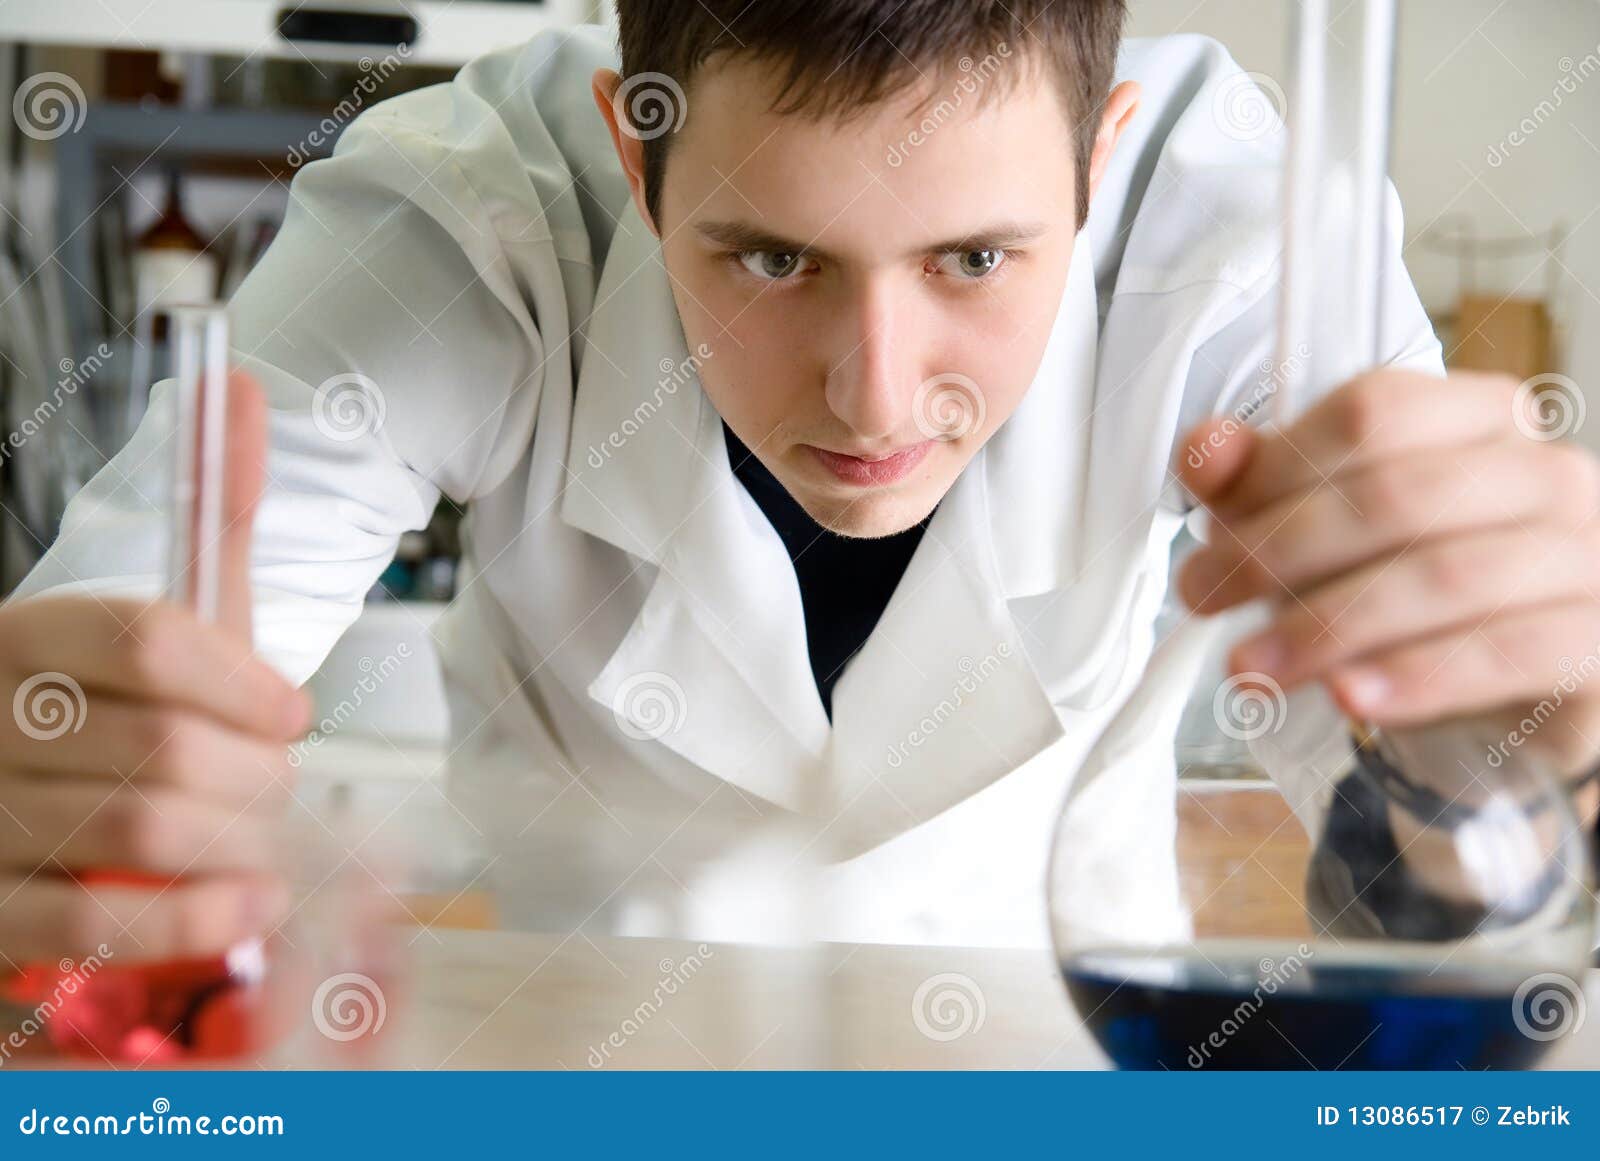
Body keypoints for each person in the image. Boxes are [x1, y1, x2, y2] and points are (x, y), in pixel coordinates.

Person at [2, 1, 1597, 960]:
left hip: (1060, 1070)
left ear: (1097, 165)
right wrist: (71, 787)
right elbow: (134, 659)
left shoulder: (1242, 238)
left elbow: (1428, 897)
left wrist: (1497, 762)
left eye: (976, 255)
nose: (877, 396)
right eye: (773, 255)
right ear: (637, 163)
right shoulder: (471, 222)